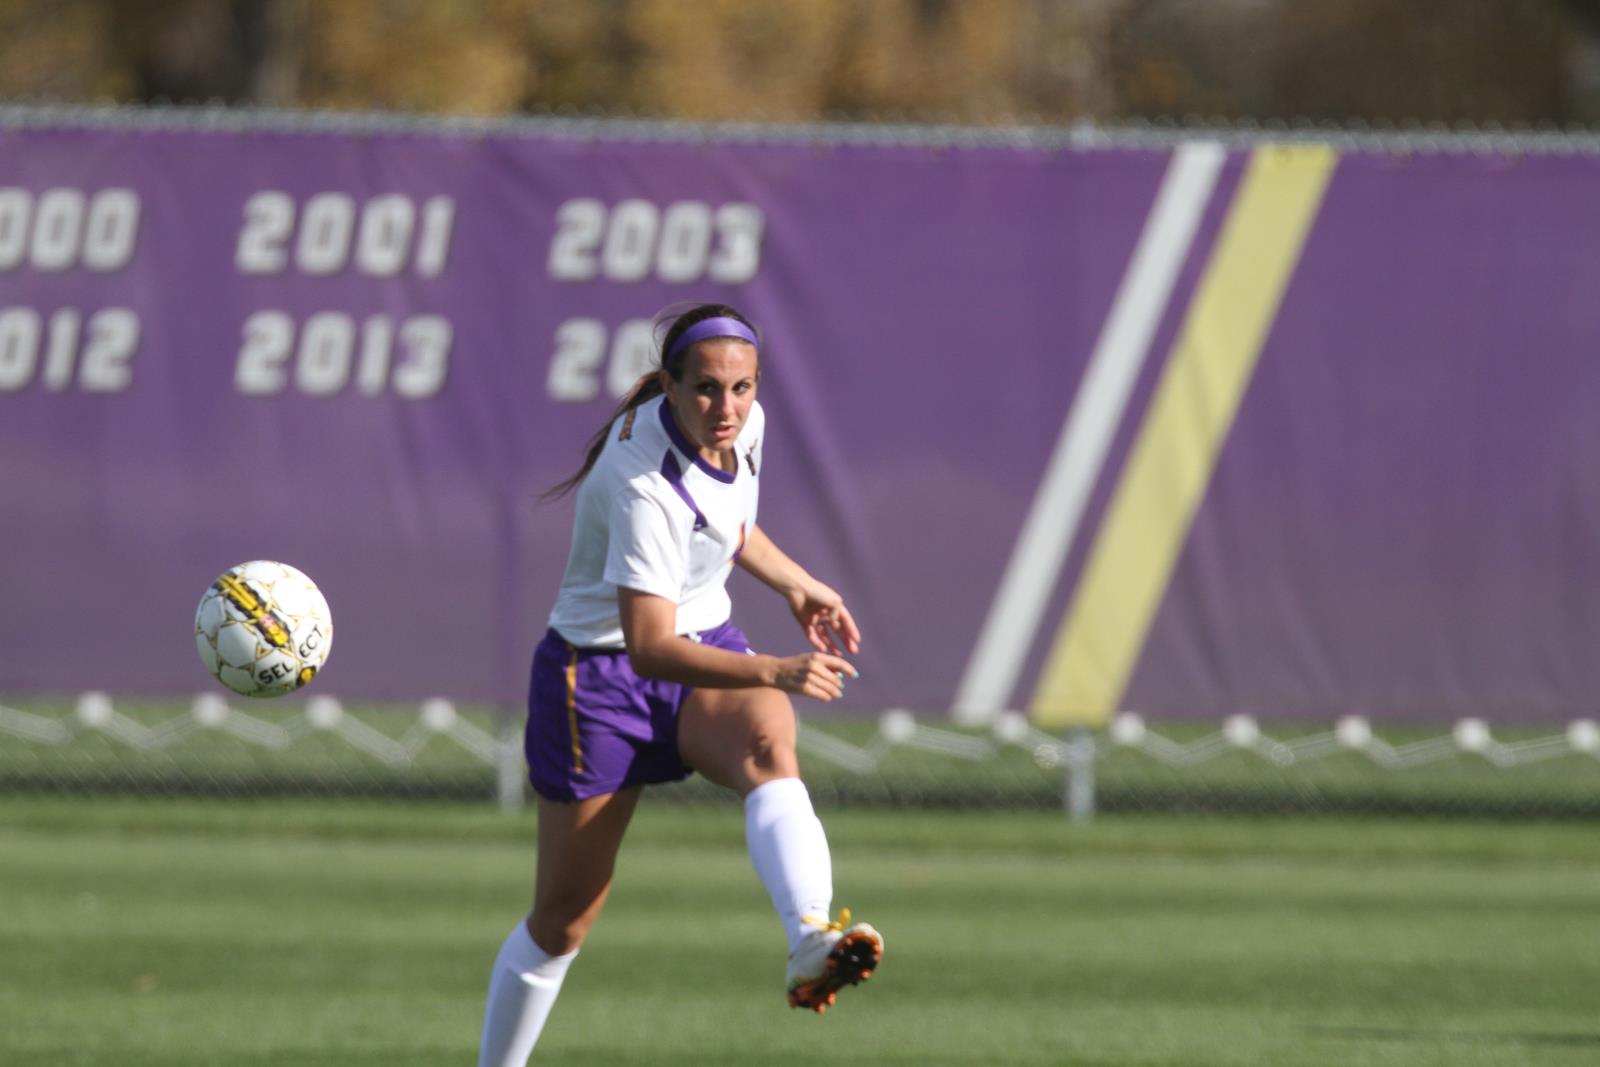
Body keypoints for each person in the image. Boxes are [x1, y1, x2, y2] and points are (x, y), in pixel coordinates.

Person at [476, 303, 884, 1066]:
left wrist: (797, 584)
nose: (726, 407)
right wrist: (775, 669)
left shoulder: (743, 426)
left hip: (701, 643)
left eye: (741, 387)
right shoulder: (642, 486)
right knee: (563, 919)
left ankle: (808, 936)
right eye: (705, 389)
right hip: (596, 682)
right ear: (669, 384)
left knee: (768, 740)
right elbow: (650, 647)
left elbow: (724, 523)